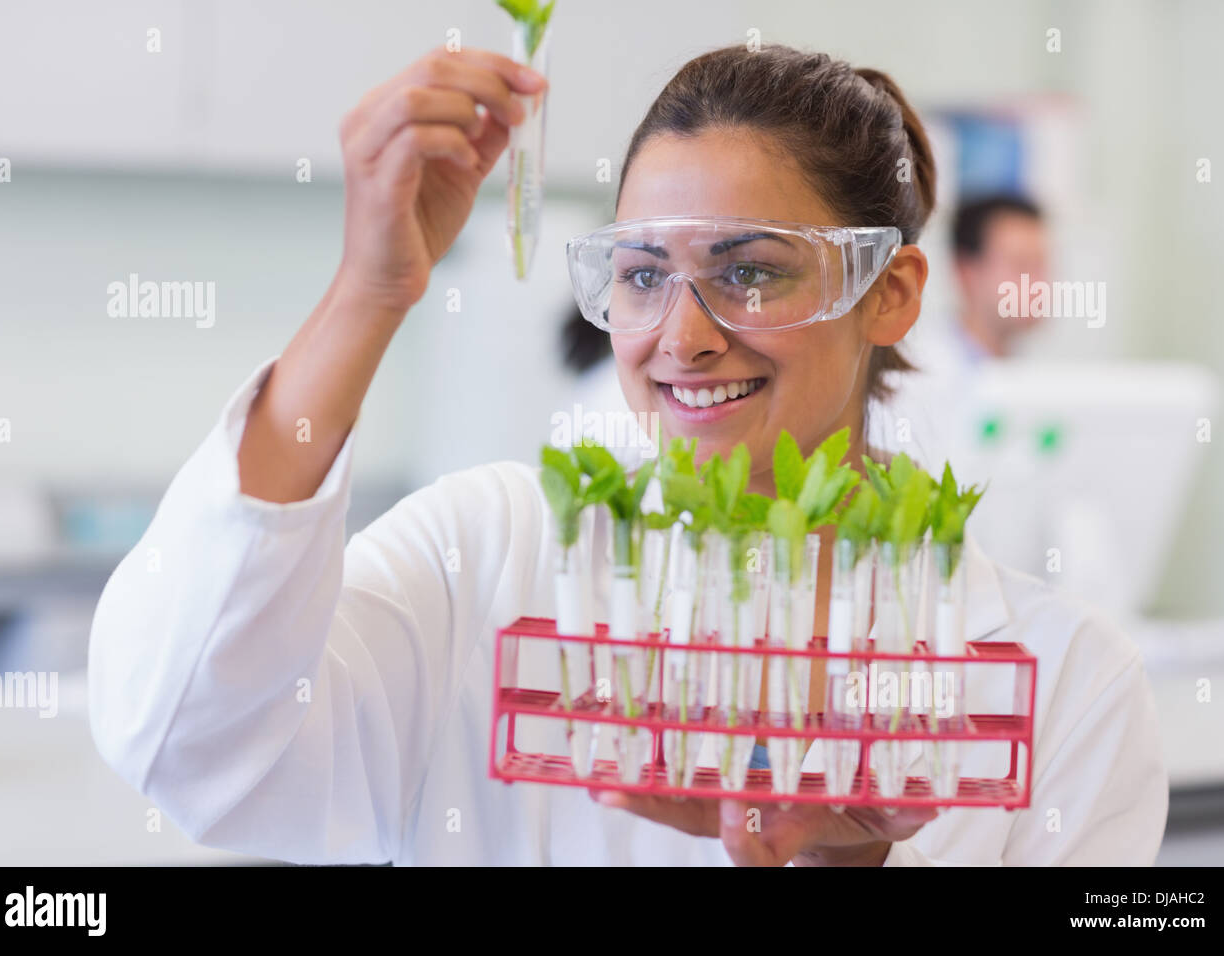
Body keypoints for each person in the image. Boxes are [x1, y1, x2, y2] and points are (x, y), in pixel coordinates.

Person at [87, 43, 1166, 866]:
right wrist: (369, 295)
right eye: (643, 273)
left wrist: (854, 860)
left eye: (749, 270)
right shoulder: (488, 558)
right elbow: (184, 740)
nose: (680, 335)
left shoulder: (1063, 683)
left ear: (886, 294)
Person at [873, 194, 1050, 476]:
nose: (1040, 284)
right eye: (1022, 266)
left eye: (1042, 266)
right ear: (966, 272)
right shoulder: (909, 381)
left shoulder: (1036, 379)